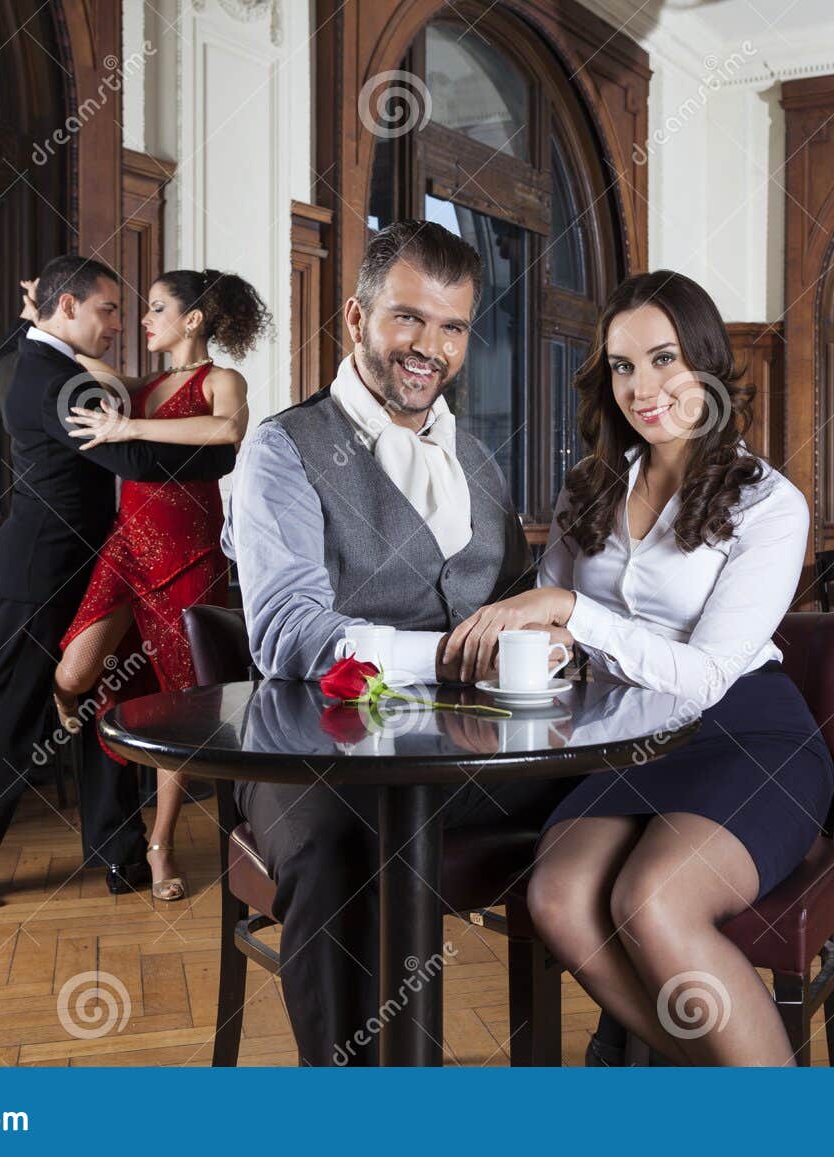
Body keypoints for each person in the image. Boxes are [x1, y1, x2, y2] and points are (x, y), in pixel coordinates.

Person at [447, 271, 833, 1066]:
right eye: (623, 366)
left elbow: (702, 676)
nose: (642, 387)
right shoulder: (590, 487)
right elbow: (559, 625)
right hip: (622, 741)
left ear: (707, 365)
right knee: (556, 896)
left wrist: (570, 613)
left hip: (745, 734)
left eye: (663, 360)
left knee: (652, 901)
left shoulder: (770, 502)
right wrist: (552, 640)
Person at [221, 221, 574, 1064]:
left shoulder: (478, 463)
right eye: (407, 319)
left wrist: (548, 636)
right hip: (313, 753)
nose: (431, 348)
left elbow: (518, 602)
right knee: (338, 850)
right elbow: (288, 635)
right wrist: (461, 652)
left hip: (463, 757)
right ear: (355, 318)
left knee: (625, 812)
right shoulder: (282, 448)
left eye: (452, 327)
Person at [0, 256, 237, 910]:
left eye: (125, 310)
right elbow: (134, 458)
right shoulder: (57, 380)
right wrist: (222, 450)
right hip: (44, 571)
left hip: (95, 567)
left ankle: (117, 851)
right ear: (67, 309)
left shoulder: (46, 366)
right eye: (108, 309)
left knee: (103, 705)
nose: (119, 322)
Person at [47, 269, 267, 902]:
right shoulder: (143, 384)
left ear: (193, 319)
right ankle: (85, 728)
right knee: (74, 673)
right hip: (127, 546)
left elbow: (226, 431)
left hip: (190, 554)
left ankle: (160, 843)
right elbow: (81, 360)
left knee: (179, 705)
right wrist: (38, 313)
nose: (143, 320)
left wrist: (129, 429)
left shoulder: (221, 380)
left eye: (157, 308)